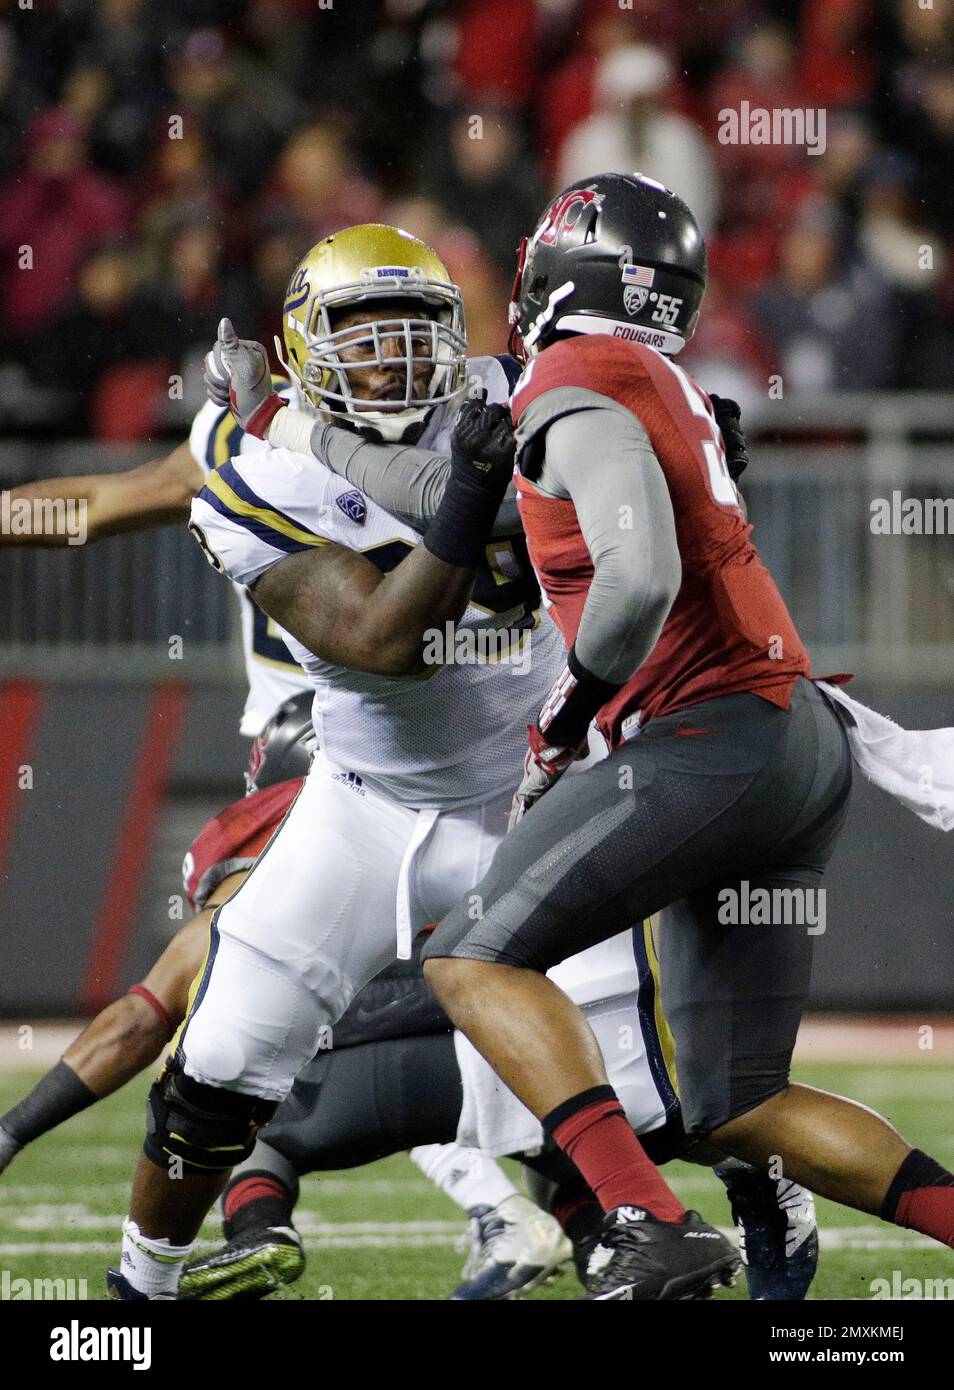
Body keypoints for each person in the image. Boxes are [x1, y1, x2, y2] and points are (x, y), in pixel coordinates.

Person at [251, 176, 954, 1301]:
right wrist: (297, 427)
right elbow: (456, 493)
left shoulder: (576, 383)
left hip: (707, 735)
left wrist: (565, 718)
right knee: (738, 1103)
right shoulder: (643, 379)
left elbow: (638, 582)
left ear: (550, 274)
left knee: (469, 955)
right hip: (789, 736)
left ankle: (644, 1218)